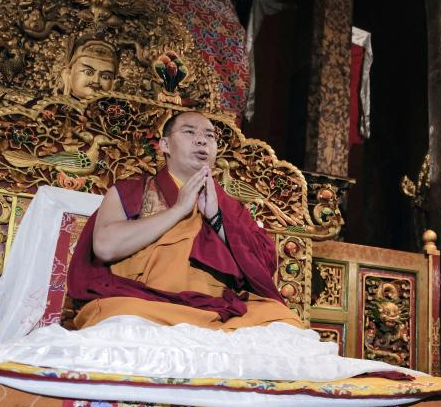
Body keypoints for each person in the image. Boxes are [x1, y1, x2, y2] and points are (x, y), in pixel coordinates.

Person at [68, 111, 303, 330]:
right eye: (189, 132)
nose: (201, 141)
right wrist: (179, 209)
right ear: (165, 145)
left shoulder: (230, 206)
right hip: (147, 304)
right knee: (120, 314)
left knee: (284, 321)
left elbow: (262, 269)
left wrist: (218, 220)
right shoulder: (133, 191)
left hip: (217, 310)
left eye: (209, 136)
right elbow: (105, 248)